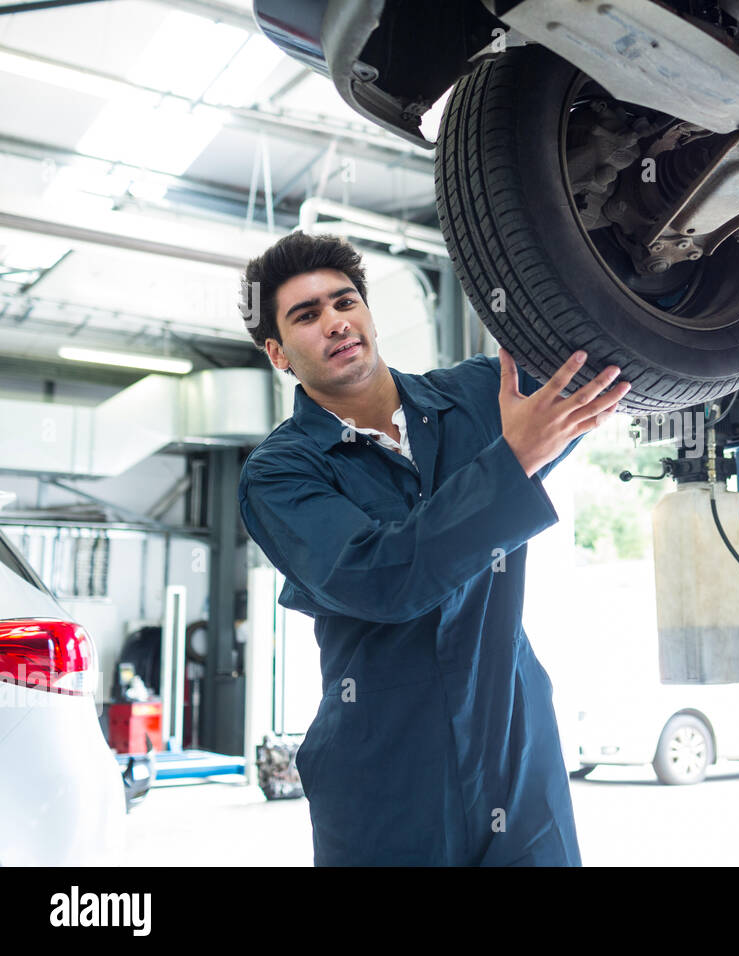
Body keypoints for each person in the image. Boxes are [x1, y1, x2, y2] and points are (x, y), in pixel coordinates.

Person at [236, 231, 629, 865]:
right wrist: (513, 460)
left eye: (344, 302)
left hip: (515, 748)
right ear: (278, 354)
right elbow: (380, 578)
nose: (335, 322)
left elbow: (597, 355)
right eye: (307, 316)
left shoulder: (479, 394)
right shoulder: (280, 472)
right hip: (386, 774)